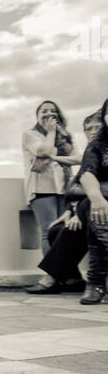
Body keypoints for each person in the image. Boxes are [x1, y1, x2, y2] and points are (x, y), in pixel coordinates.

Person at [26, 111, 101, 294]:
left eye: (97, 128)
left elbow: (100, 188)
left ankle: (51, 278)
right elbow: (77, 185)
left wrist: (80, 213)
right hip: (90, 210)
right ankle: (73, 279)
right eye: (88, 129)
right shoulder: (92, 151)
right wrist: (69, 211)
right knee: (55, 230)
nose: (92, 132)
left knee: (70, 230)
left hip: (99, 209)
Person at [22, 101, 80, 256]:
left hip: (64, 187)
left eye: (52, 111)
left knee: (63, 231)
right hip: (41, 188)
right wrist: (52, 131)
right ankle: (52, 270)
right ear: (37, 116)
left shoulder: (65, 137)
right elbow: (43, 151)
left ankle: (63, 268)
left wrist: (57, 152)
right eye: (44, 111)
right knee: (48, 231)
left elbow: (78, 158)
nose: (49, 114)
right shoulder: (30, 135)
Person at [78, 98, 108, 304]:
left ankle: (96, 283)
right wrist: (97, 199)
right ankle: (95, 283)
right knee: (96, 212)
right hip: (99, 199)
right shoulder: (98, 145)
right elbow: (87, 173)